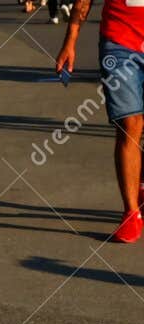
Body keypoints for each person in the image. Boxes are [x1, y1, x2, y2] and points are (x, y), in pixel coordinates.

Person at [58, 1, 144, 241]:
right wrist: (70, 41)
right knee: (129, 124)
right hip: (119, 44)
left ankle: (140, 182)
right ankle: (131, 212)